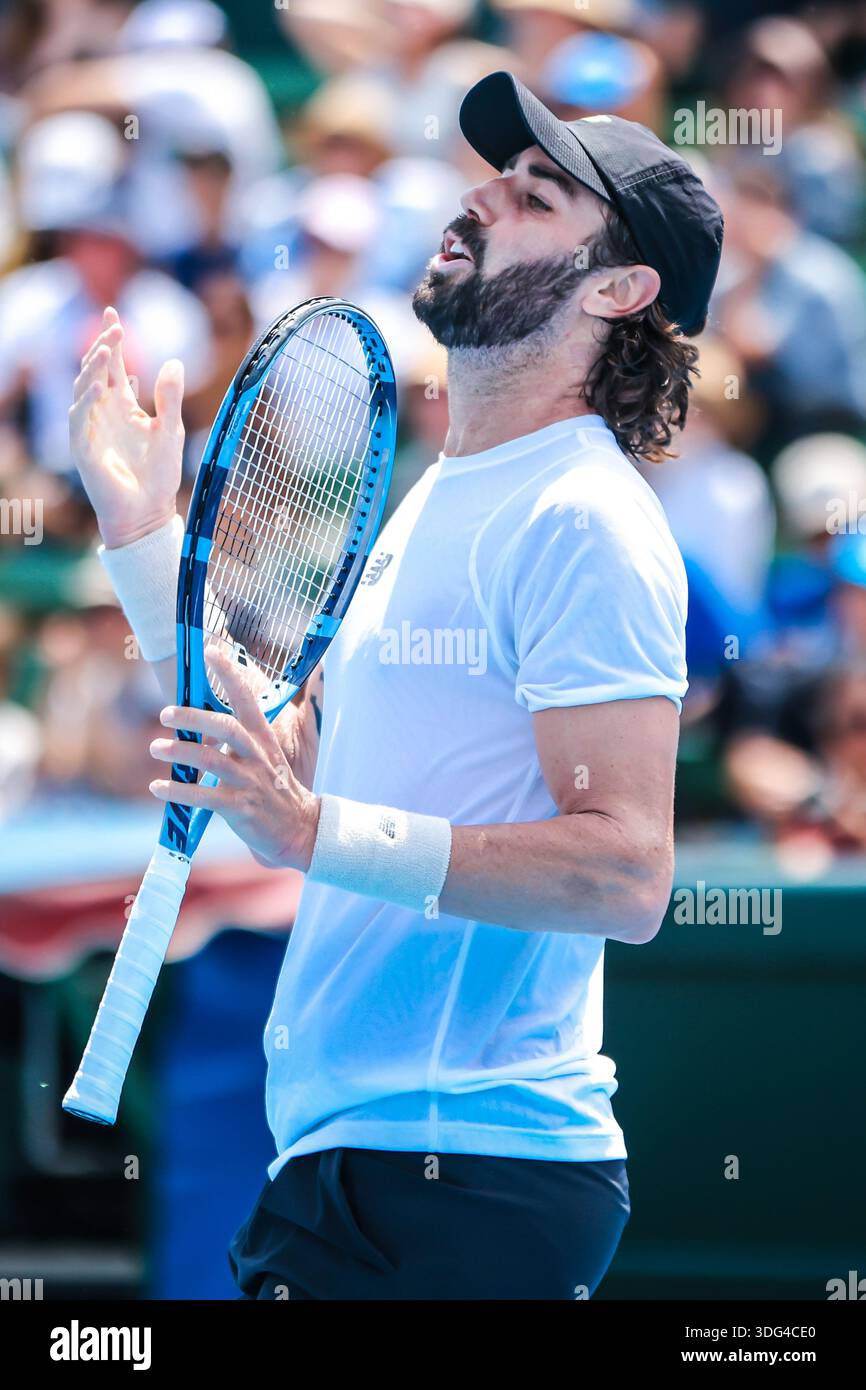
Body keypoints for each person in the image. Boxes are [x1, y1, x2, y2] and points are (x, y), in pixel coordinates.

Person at [68, 70, 723, 1300]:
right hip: (363, 1162)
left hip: (462, 1169)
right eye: (496, 175)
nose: (480, 195)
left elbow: (623, 873)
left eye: (535, 197)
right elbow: (274, 757)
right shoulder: (445, 494)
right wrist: (140, 530)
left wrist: (313, 833)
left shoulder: (581, 517)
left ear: (617, 289)